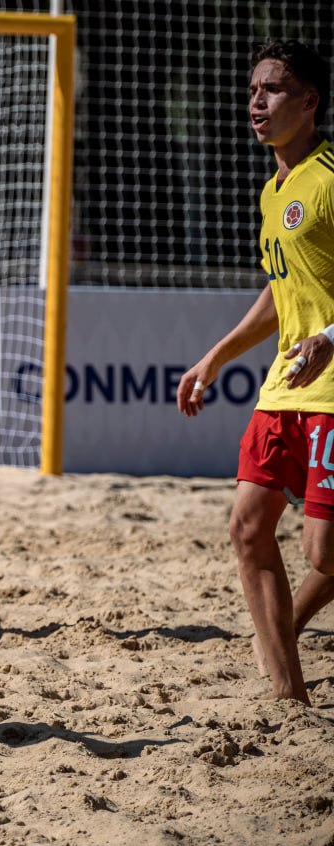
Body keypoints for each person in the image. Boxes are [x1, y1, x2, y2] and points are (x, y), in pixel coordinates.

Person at [177, 39, 334, 705]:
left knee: (324, 555)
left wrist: (330, 335)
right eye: (252, 90)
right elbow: (280, 289)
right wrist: (217, 353)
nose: (257, 101)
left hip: (332, 388)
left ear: (310, 101)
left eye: (272, 89)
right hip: (285, 385)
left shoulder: (329, 179)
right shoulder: (273, 189)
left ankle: (285, 635)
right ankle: (288, 698)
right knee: (247, 526)